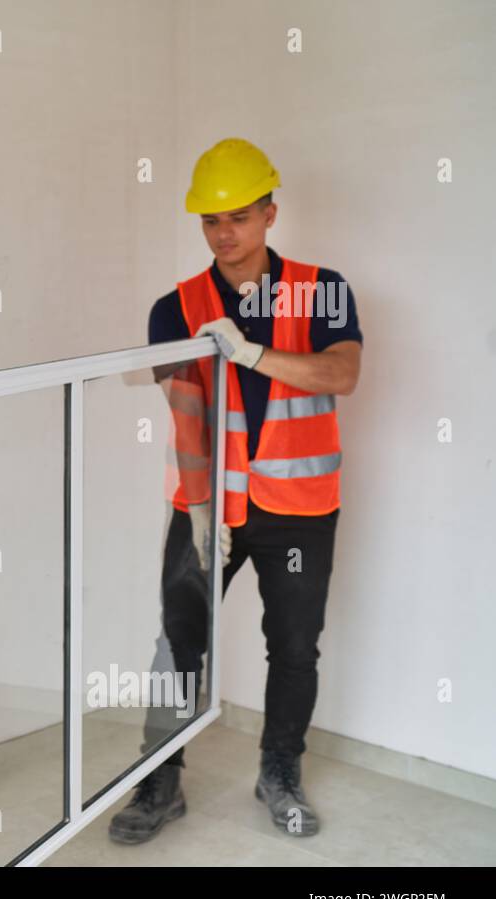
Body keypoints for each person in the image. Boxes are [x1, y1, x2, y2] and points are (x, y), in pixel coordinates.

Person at [108, 138, 362, 844]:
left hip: (299, 509)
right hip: (207, 508)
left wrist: (253, 353)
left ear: (270, 213)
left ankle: (279, 773)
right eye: (211, 220)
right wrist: (196, 509)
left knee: (294, 646)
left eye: (240, 217)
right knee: (177, 643)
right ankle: (159, 781)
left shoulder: (323, 290)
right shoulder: (174, 307)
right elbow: (183, 413)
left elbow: (341, 374)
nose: (225, 233)